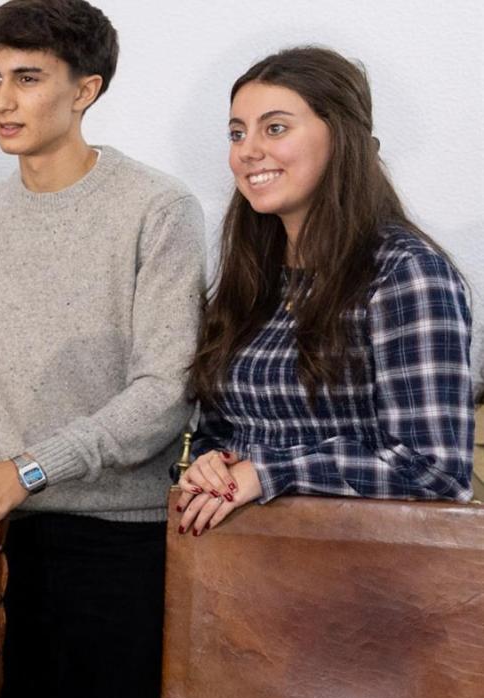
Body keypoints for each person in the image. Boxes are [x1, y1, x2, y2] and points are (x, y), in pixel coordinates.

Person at [0, 0, 206, 698]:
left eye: (28, 78)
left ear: (85, 90)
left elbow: (167, 389)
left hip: (115, 536)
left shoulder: (157, 208)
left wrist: (27, 467)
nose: (3, 100)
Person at [179, 46, 474, 533]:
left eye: (274, 128)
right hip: (240, 561)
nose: (247, 150)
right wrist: (212, 460)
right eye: (237, 133)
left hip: (356, 573)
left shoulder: (406, 273)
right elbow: (222, 430)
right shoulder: (253, 276)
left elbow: (436, 469)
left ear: (341, 138)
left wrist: (270, 472)